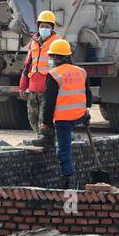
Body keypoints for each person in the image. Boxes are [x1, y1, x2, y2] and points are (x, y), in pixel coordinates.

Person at [40, 37, 90, 188]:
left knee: (64, 151)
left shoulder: (54, 75)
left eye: (52, 56)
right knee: (67, 143)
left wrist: (47, 123)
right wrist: (86, 113)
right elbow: (88, 95)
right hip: (81, 116)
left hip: (64, 120)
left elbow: (49, 103)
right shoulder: (81, 72)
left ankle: (68, 179)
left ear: (57, 57)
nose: (51, 59)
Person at [19, 10, 61, 135]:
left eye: (47, 26)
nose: (44, 29)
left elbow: (62, 68)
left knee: (46, 118)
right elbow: (27, 65)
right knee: (32, 117)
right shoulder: (34, 42)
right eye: (42, 26)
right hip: (33, 88)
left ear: (52, 28)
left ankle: (47, 140)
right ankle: (39, 137)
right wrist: (23, 85)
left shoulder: (57, 43)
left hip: (48, 88)